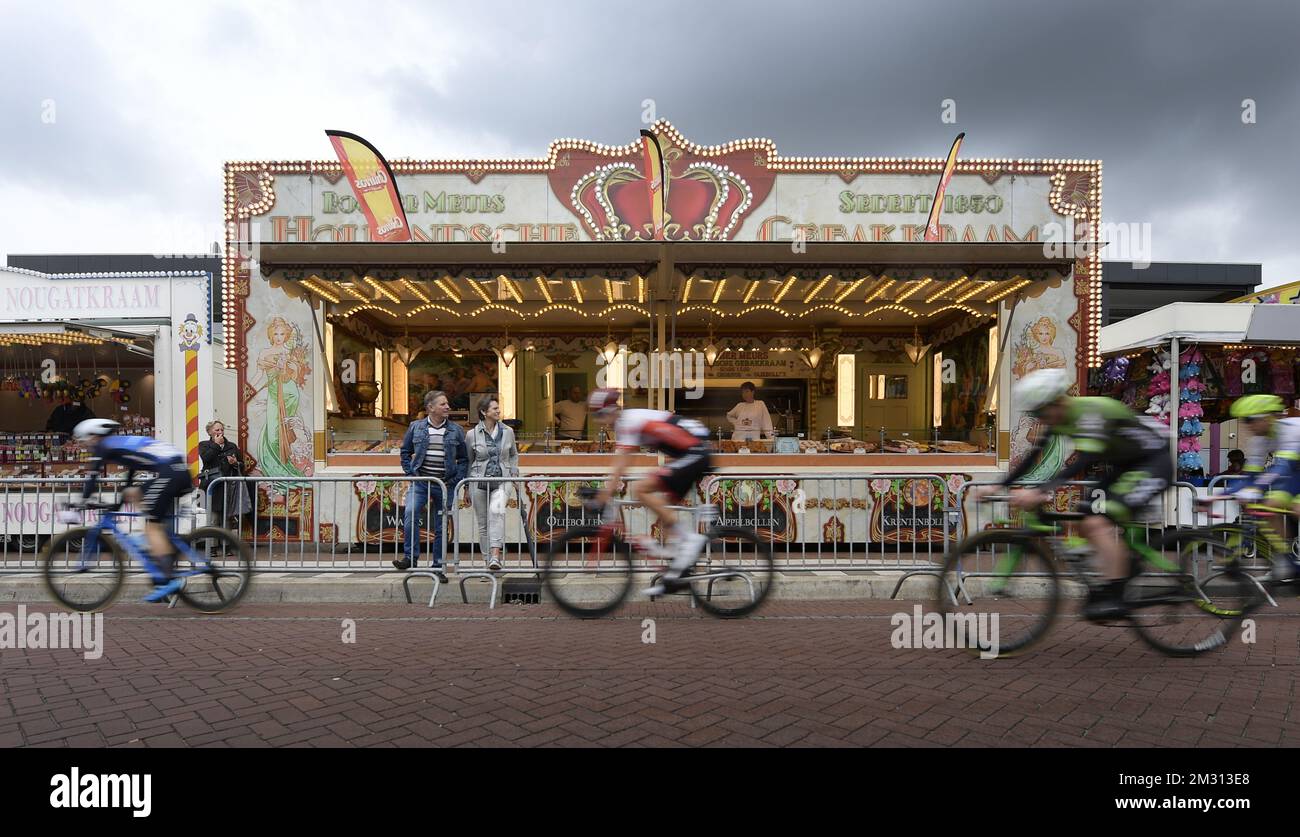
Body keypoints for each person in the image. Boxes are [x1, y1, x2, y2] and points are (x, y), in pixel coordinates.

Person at [988, 368, 1172, 620]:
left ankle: (1116, 596)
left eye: (1041, 411)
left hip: (1152, 462)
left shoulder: (1090, 411)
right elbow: (1032, 457)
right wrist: (999, 485)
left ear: (1058, 401)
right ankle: (1115, 569)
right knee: (1085, 516)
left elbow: (1083, 460)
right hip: (1124, 466)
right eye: (1035, 414)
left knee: (1097, 522)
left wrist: (1040, 490)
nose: (1041, 418)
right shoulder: (1060, 420)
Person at [587, 388, 713, 597]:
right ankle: (674, 576)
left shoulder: (626, 421)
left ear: (611, 410)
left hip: (695, 451)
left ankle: (690, 541)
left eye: (600, 415)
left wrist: (604, 494)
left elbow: (621, 465)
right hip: (691, 451)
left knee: (640, 489)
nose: (600, 422)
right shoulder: (628, 421)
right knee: (665, 518)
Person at [65, 419, 193, 602]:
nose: (85, 446)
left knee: (152, 526)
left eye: (84, 441)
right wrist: (116, 505)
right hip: (177, 471)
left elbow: (92, 478)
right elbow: (129, 481)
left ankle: (167, 580)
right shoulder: (121, 446)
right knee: (133, 495)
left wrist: (81, 502)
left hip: (171, 472)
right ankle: (161, 551)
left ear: (93, 436)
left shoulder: (105, 445)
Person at [1222, 395, 1300, 581]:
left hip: (1293, 467)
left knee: (1295, 508)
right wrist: (1222, 494)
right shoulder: (1259, 439)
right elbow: (1250, 476)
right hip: (1296, 470)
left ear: (1267, 418)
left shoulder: (1291, 430)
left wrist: (1255, 489)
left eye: (1249, 420)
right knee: (1269, 506)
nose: (1247, 426)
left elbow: (1283, 468)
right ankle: (1284, 561)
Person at [396, 390, 468, 579]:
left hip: (445, 484)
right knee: (411, 512)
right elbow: (405, 452)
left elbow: (463, 459)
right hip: (421, 482)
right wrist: (411, 474)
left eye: (447, 404)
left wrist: (455, 480)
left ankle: (438, 565)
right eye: (443, 404)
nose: (448, 407)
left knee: (441, 525)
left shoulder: (456, 430)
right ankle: (410, 557)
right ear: (431, 408)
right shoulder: (416, 427)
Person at [467, 395, 520, 572]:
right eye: (494, 409)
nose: (498, 411)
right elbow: (468, 460)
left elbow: (513, 454)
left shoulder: (508, 431)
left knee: (496, 515)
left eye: (498, 408)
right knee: (483, 523)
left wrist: (513, 473)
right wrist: (467, 486)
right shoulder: (472, 434)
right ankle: (487, 563)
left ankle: (495, 556)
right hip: (478, 480)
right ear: (484, 412)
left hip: (502, 479)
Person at [198, 420, 246, 533]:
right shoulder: (204, 445)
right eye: (217, 430)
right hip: (210, 486)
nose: (220, 432)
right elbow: (206, 458)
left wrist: (235, 463)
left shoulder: (231, 446)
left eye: (222, 430)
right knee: (212, 518)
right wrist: (216, 444)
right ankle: (212, 547)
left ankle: (226, 546)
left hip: (227, 486)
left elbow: (242, 464)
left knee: (227, 518)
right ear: (209, 432)